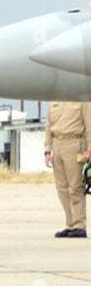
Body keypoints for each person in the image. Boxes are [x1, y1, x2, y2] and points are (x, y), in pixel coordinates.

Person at [43, 101, 91, 239]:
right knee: (62, 188)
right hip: (57, 143)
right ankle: (70, 224)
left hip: (74, 143)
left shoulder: (81, 99)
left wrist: (89, 149)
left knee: (75, 187)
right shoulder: (54, 100)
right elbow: (49, 126)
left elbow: (89, 125)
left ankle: (79, 225)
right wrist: (47, 150)